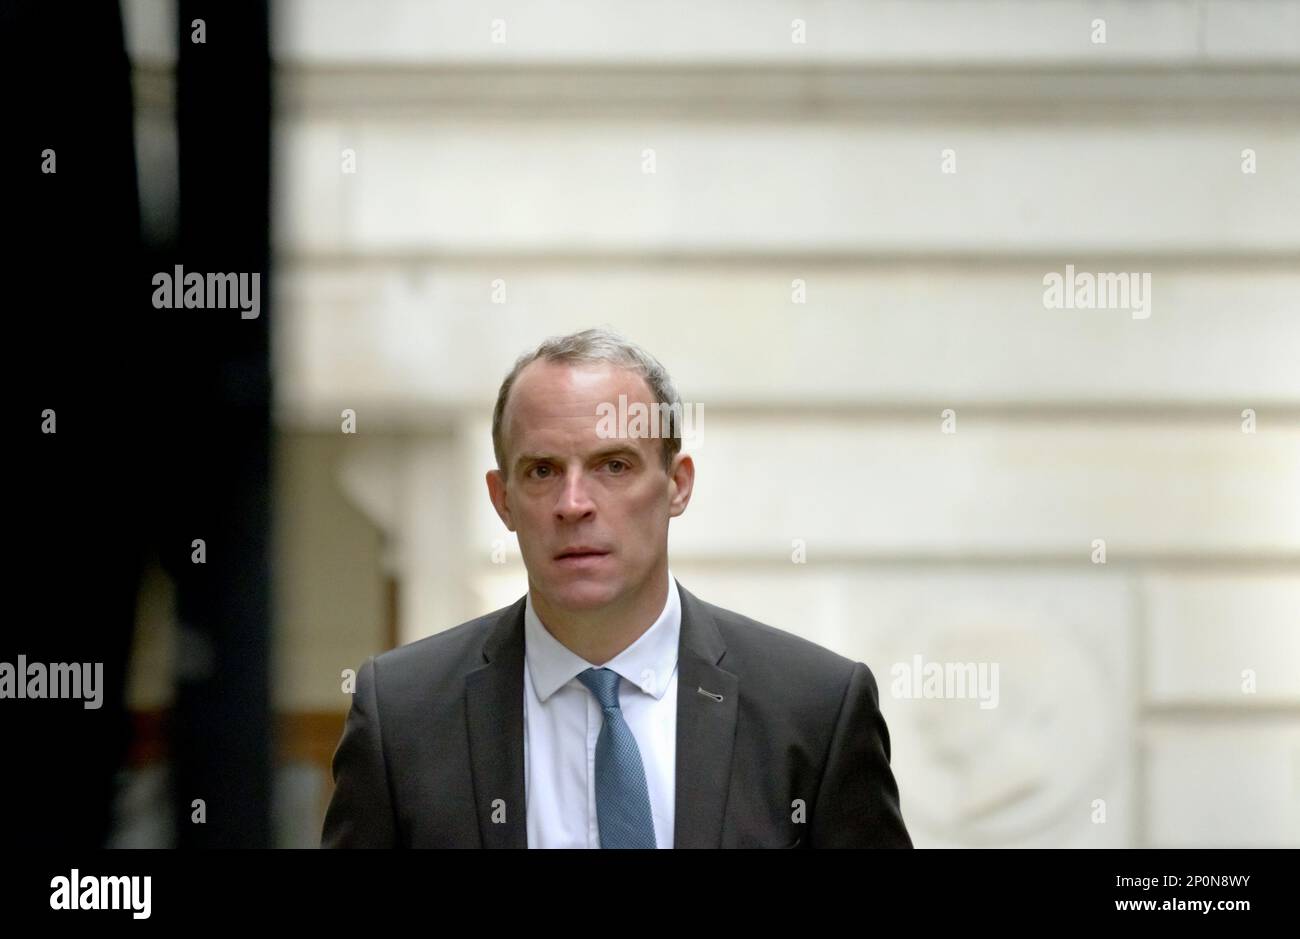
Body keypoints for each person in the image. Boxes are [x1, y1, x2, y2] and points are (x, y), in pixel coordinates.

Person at [321, 328, 912, 848]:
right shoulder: (402, 716)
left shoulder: (813, 709)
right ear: (503, 499)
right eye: (543, 471)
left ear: (677, 485)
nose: (574, 504)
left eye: (614, 466)